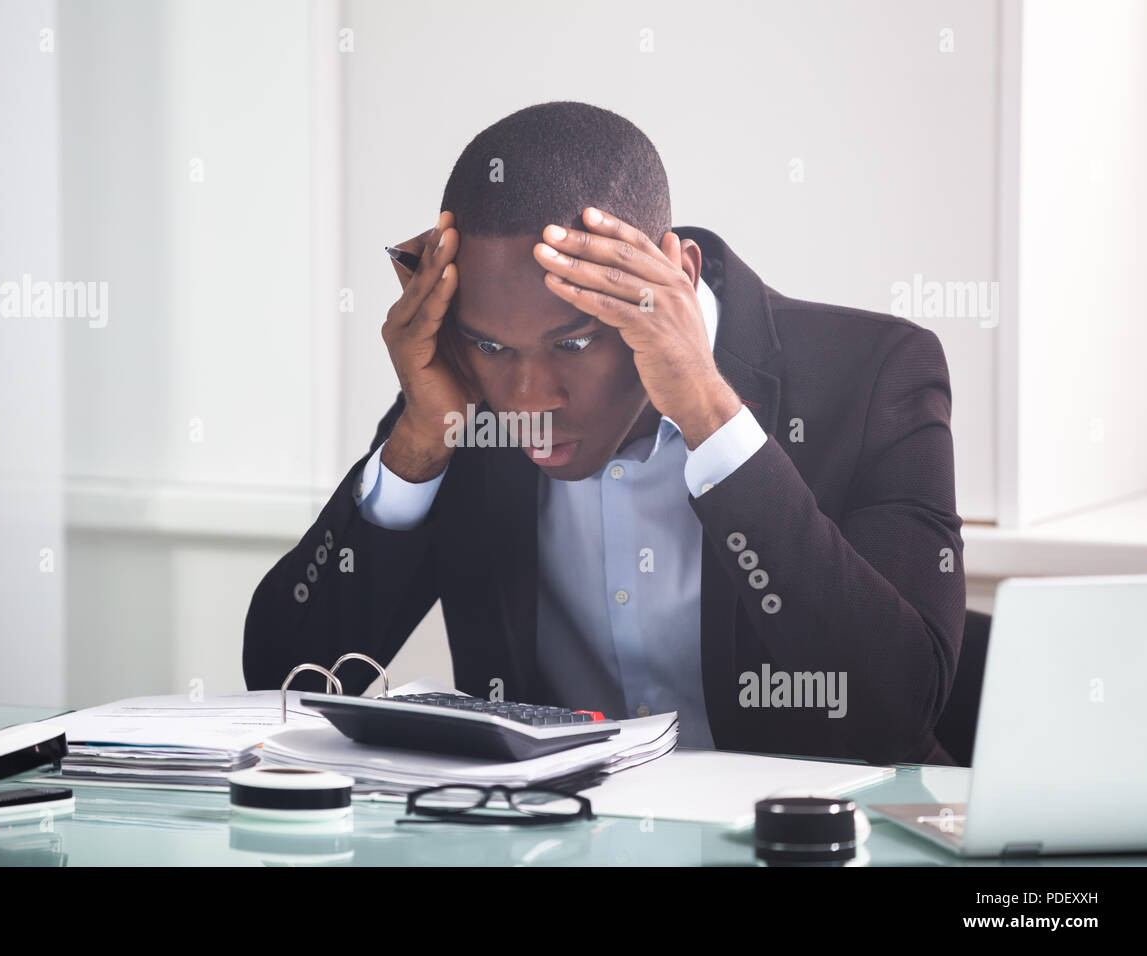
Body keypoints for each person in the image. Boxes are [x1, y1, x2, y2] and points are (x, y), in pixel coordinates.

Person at [244, 101, 965, 766]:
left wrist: (712, 418)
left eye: (575, 342)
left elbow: (894, 713)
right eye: (494, 348)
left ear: (671, 279)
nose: (527, 399)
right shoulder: (463, 403)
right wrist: (418, 445)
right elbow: (278, 674)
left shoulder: (875, 375)